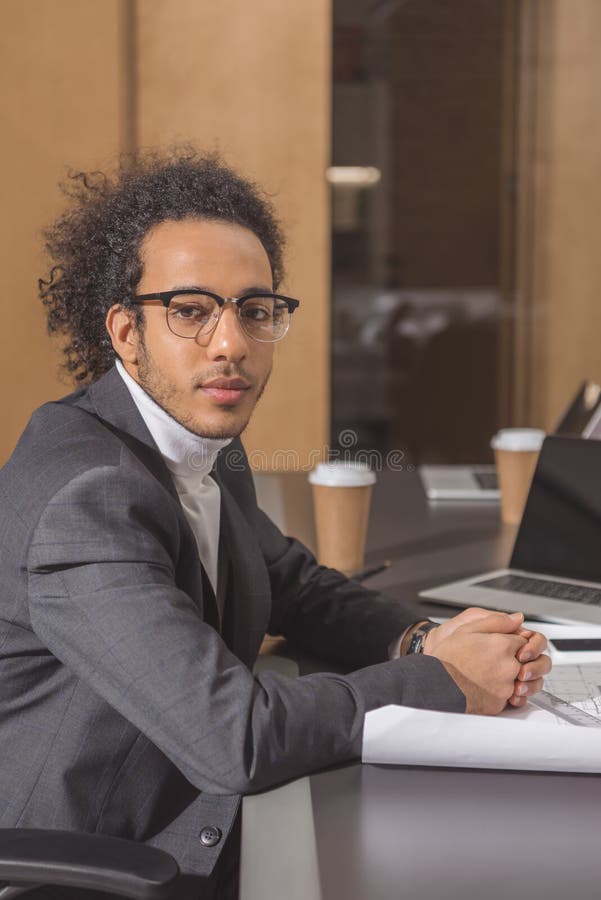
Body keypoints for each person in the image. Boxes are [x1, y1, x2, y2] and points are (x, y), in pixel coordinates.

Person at [0, 151, 550, 899]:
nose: (231, 345)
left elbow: (291, 582)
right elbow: (234, 736)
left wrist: (421, 638)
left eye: (254, 311)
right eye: (190, 311)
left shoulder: (198, 444)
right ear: (126, 332)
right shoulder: (88, 494)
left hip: (192, 816)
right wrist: (445, 680)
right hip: (104, 861)